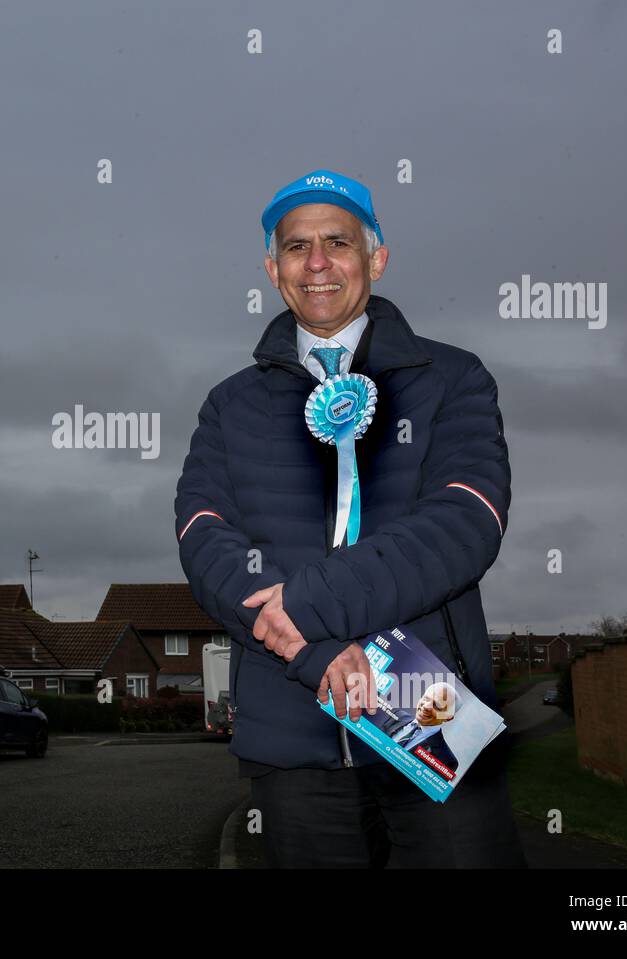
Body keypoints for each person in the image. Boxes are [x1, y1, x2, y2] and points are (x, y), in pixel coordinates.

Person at [174, 168, 526, 868]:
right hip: (291, 726)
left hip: (433, 715)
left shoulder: (453, 378)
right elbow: (203, 537)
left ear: (377, 256)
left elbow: (466, 521)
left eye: (338, 241)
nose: (317, 263)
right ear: (273, 269)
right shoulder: (229, 404)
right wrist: (309, 651)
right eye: (296, 247)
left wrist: (306, 604)